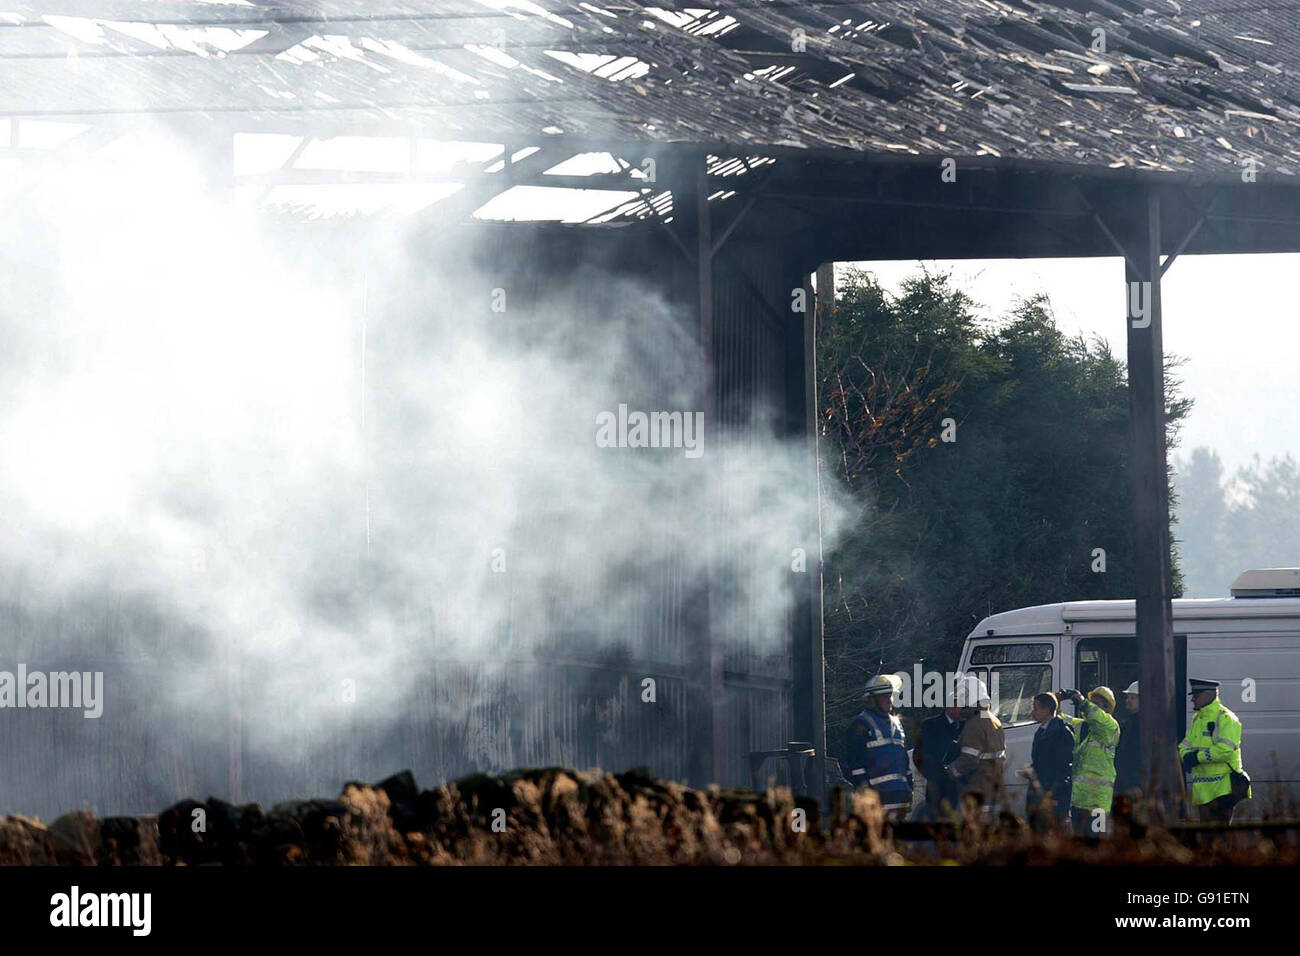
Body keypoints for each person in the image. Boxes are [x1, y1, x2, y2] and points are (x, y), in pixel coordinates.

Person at [1179, 678, 1251, 824]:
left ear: (1209, 695)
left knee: (1219, 837)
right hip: (1203, 790)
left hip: (1222, 790)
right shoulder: (1197, 719)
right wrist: (1185, 756)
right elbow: (1184, 745)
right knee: (1207, 837)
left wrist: (1197, 758)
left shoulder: (1226, 718)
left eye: (1196, 695)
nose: (1192, 699)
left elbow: (1225, 750)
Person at [844, 673, 913, 816]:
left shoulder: (896, 723)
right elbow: (855, 765)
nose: (889, 700)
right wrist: (865, 794)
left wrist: (908, 788)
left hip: (899, 797)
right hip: (876, 800)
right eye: (884, 696)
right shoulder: (861, 724)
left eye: (890, 695)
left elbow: (903, 761)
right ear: (872, 700)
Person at [1058, 686, 1119, 836]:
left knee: (1098, 845)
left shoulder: (1110, 726)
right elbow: (1058, 718)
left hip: (1098, 802)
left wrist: (1082, 702)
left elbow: (1095, 716)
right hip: (1079, 801)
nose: (1090, 707)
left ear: (1106, 708)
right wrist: (1056, 700)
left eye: (1095, 704)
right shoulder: (1083, 726)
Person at [947, 676, 1005, 813]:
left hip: (977, 788)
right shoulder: (993, 720)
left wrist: (950, 770)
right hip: (993, 788)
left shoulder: (974, 723)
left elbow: (969, 759)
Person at [1022, 691, 1072, 830]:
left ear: (1046, 710)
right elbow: (1041, 761)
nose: (1033, 712)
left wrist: (1053, 793)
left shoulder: (1062, 732)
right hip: (1040, 792)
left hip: (1052, 794)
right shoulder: (1041, 731)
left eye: (1036, 708)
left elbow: (1062, 766)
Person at [914, 694, 965, 819]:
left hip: (957, 787)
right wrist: (933, 775)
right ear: (950, 707)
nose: (964, 710)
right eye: (961, 706)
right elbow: (919, 755)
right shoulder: (930, 725)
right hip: (936, 787)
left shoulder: (966, 726)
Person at [1113, 681, 1141, 798]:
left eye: (1132, 698)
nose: (1128, 701)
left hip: (1135, 783)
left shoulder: (1145, 726)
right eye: (1128, 697)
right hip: (1125, 782)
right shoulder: (1127, 724)